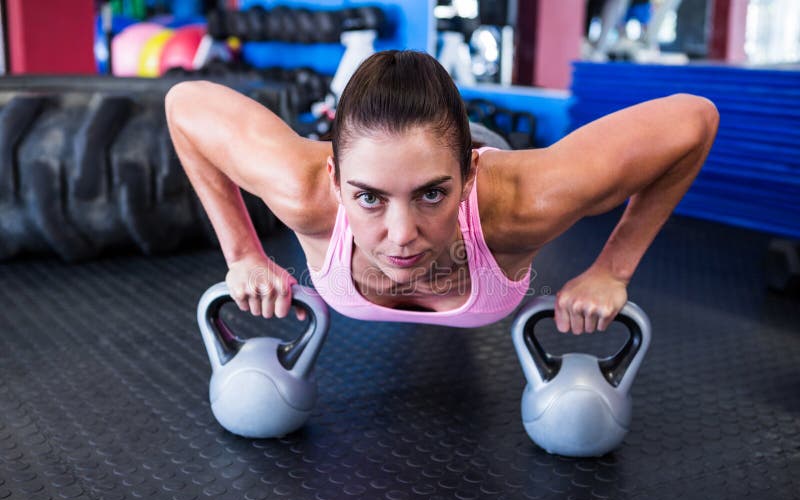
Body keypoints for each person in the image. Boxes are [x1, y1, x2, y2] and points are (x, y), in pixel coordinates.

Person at [165, 50, 718, 335]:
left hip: (476, 143)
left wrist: (612, 272)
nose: (402, 237)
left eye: (431, 195)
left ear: (469, 177)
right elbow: (184, 104)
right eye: (369, 198)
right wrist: (242, 256)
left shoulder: (526, 201)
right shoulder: (303, 188)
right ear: (335, 180)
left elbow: (693, 119)